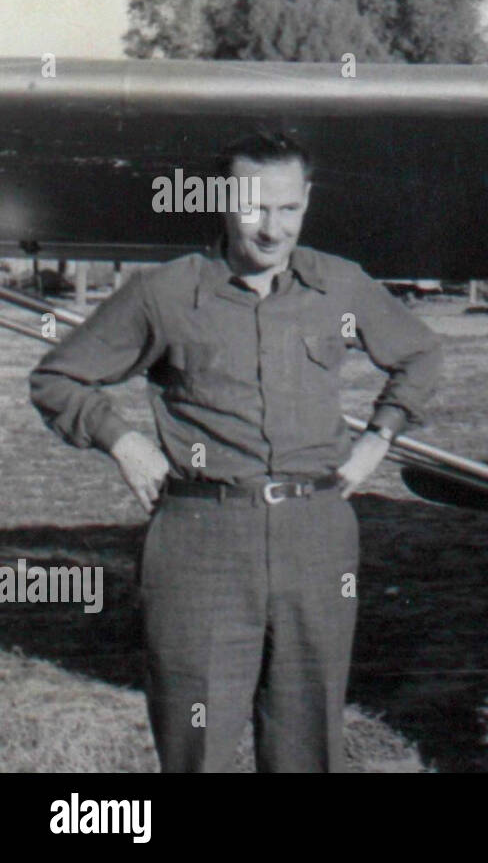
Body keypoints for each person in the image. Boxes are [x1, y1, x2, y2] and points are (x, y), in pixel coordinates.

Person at [29, 131, 442, 772]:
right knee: (198, 744)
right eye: (255, 208)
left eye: (288, 209)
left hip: (317, 535)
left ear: (306, 201)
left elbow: (419, 354)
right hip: (202, 542)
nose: (272, 230)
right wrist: (124, 440)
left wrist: (376, 440)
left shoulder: (340, 285)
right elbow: (57, 378)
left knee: (308, 740)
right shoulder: (165, 294)